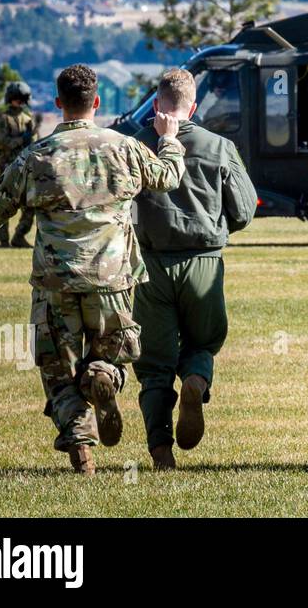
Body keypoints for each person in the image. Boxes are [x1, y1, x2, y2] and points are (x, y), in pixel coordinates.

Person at [0, 64, 184, 475]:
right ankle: (103, 377)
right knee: (110, 356)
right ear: (97, 102)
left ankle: (81, 448)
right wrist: (170, 141)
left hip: (56, 284)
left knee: (57, 370)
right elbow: (169, 176)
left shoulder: (35, 157)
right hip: (113, 281)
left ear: (57, 104)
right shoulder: (124, 147)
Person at [131, 68, 257, 470]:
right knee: (202, 344)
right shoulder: (219, 146)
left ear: (156, 104)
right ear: (194, 106)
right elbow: (244, 208)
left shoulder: (135, 146)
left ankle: (161, 452)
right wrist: (218, 228)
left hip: (150, 265)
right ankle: (196, 381)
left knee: (153, 365)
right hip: (203, 262)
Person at [0, 80, 36, 248]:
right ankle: (3, 239)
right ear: (11, 99)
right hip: (5, 167)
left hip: (25, 168)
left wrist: (31, 138)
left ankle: (19, 236)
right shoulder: (1, 118)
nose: (21, 102)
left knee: (30, 205)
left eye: (23, 99)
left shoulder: (28, 119)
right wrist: (20, 140)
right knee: (3, 204)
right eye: (18, 99)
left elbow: (33, 144)